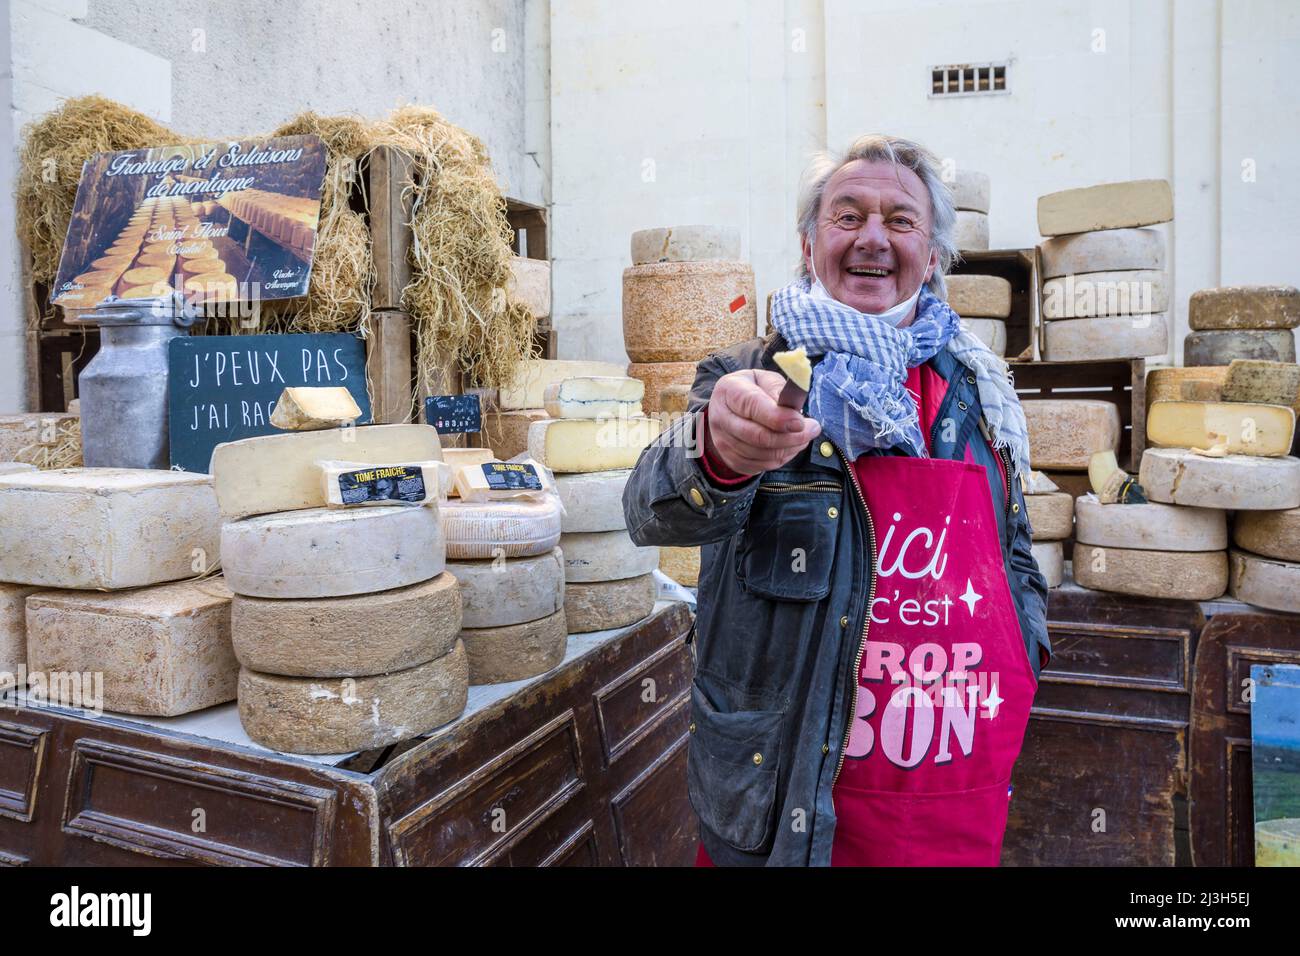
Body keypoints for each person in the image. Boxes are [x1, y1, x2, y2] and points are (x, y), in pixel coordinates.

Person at [622, 134, 1050, 867]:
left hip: (946, 783)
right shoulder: (749, 375)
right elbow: (653, 510)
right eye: (847, 216)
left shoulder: (979, 391)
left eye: (901, 220)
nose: (873, 239)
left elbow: (1013, 546)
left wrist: (1024, 652)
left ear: (937, 253)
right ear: (808, 242)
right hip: (789, 790)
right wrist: (718, 454)